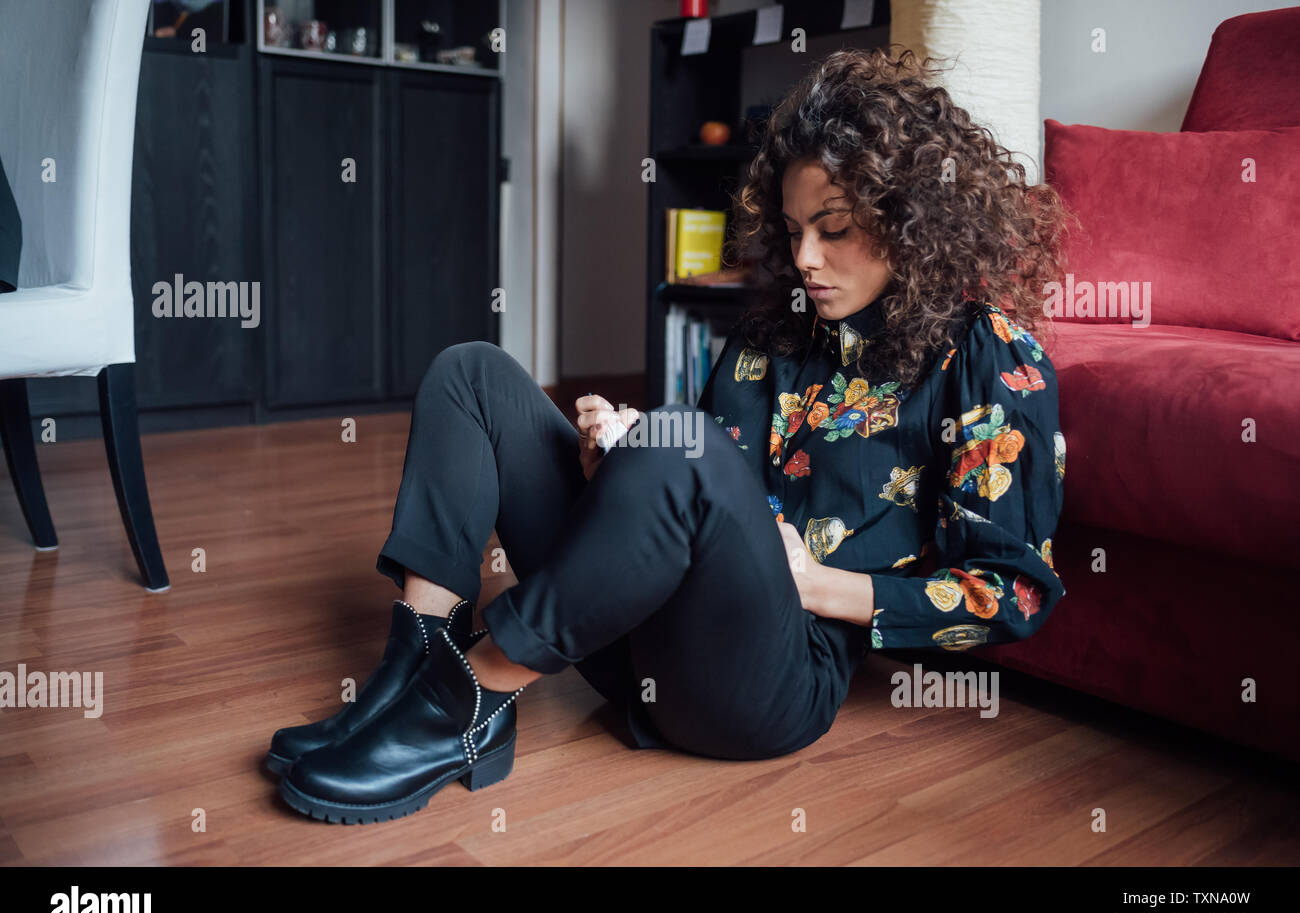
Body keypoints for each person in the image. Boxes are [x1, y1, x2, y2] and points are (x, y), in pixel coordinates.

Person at [267, 47, 1071, 825]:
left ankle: (467, 699)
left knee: (677, 441)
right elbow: (693, 500)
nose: (805, 257)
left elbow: (1014, 593)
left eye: (833, 229)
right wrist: (608, 466)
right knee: (473, 374)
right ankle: (408, 674)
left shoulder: (988, 356)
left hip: (769, 683)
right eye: (793, 230)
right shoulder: (769, 336)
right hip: (636, 639)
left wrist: (815, 583)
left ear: (909, 218)